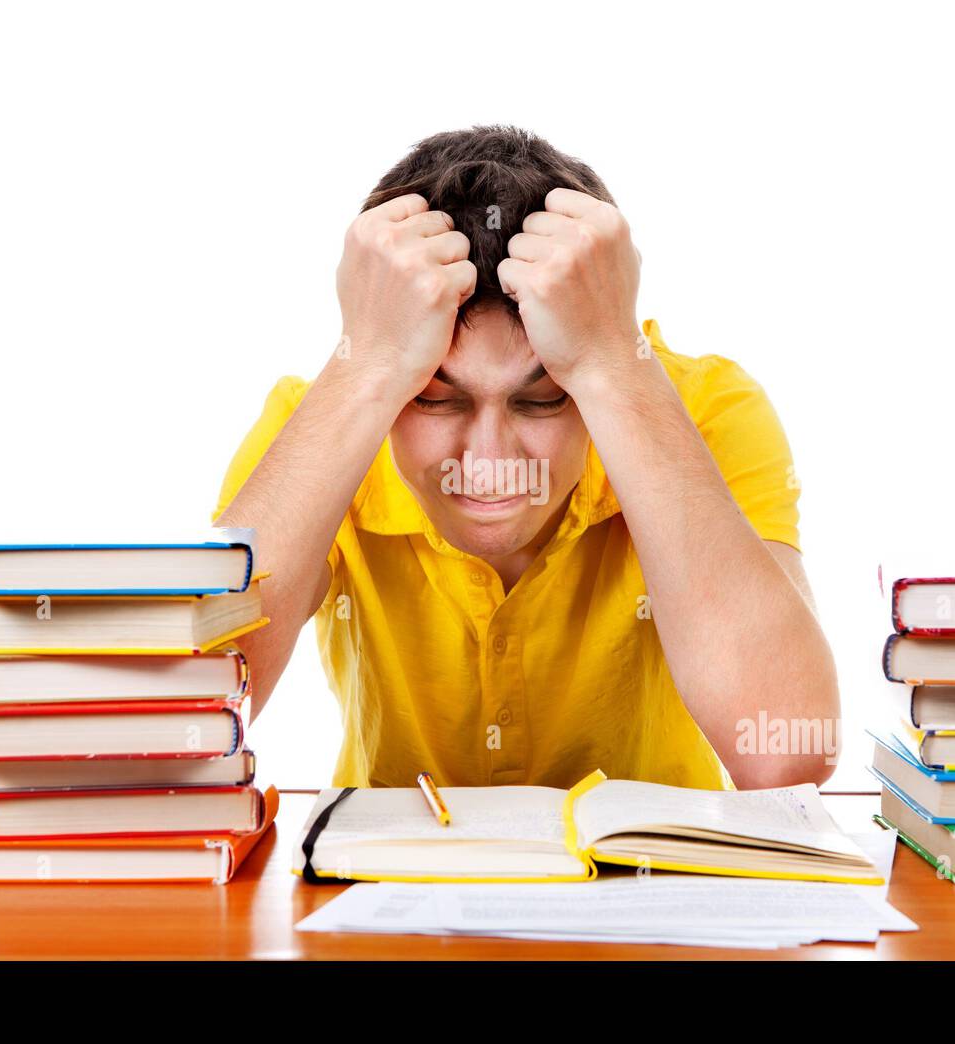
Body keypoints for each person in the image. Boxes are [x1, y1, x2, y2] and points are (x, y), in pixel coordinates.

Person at [213, 125, 840, 791]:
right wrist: (366, 367)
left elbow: (786, 752)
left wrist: (609, 365)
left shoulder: (705, 410)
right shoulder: (326, 418)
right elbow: (180, 718)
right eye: (434, 400)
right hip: (388, 882)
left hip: (661, 887)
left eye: (542, 399)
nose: (487, 463)